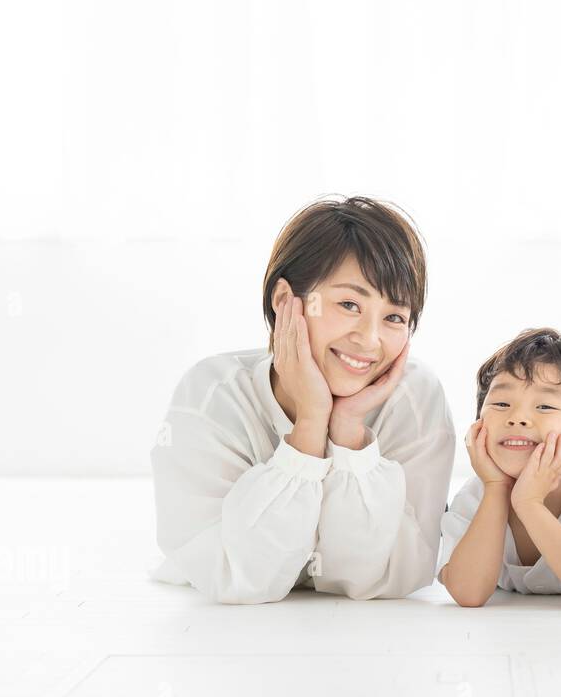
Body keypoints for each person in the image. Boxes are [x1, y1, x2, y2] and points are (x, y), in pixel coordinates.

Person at [149, 196, 456, 604]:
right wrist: (310, 424)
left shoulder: (415, 398)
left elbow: (382, 577)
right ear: (283, 301)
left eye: (394, 317)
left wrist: (348, 433)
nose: (369, 339)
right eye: (349, 304)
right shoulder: (210, 396)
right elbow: (243, 579)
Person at [437, 328, 561, 609]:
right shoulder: (476, 495)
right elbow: (467, 593)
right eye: (501, 403)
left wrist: (530, 504)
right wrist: (497, 490)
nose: (517, 418)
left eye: (544, 406)